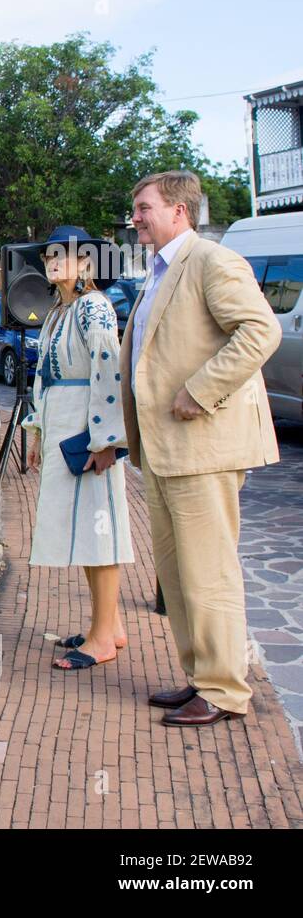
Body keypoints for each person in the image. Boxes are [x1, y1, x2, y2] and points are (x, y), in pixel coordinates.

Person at [121, 171, 281, 726]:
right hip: (167, 449)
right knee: (179, 574)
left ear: (179, 211)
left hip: (202, 447)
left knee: (207, 573)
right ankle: (201, 679)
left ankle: (224, 690)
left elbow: (260, 332)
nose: (135, 217)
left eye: (143, 208)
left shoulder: (212, 261)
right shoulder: (160, 270)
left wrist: (201, 388)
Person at [21, 226, 134, 671]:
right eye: (49, 254)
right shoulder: (56, 312)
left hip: (88, 433)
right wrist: (35, 429)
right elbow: (42, 377)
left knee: (100, 528)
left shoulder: (93, 309)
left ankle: (103, 638)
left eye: (63, 254)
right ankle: (109, 625)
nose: (52, 260)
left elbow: (110, 372)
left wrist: (107, 441)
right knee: (87, 529)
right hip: (63, 424)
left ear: (86, 262)